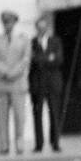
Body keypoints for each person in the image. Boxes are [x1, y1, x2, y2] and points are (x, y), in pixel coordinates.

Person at [0, 11, 30, 156]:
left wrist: (13, 72)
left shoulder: (23, 40)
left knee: (19, 117)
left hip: (18, 83)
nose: (8, 25)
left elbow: (25, 59)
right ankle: (4, 145)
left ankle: (19, 144)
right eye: (5, 22)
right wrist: (5, 71)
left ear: (15, 23)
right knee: (2, 117)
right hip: (1, 82)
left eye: (10, 22)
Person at [29, 14, 64, 153]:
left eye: (44, 28)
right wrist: (48, 58)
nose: (41, 30)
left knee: (54, 112)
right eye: (39, 28)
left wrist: (41, 59)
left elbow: (59, 59)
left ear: (47, 28)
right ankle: (39, 144)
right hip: (38, 83)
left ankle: (55, 142)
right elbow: (32, 60)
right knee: (37, 114)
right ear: (36, 29)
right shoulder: (32, 42)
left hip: (52, 82)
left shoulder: (55, 41)